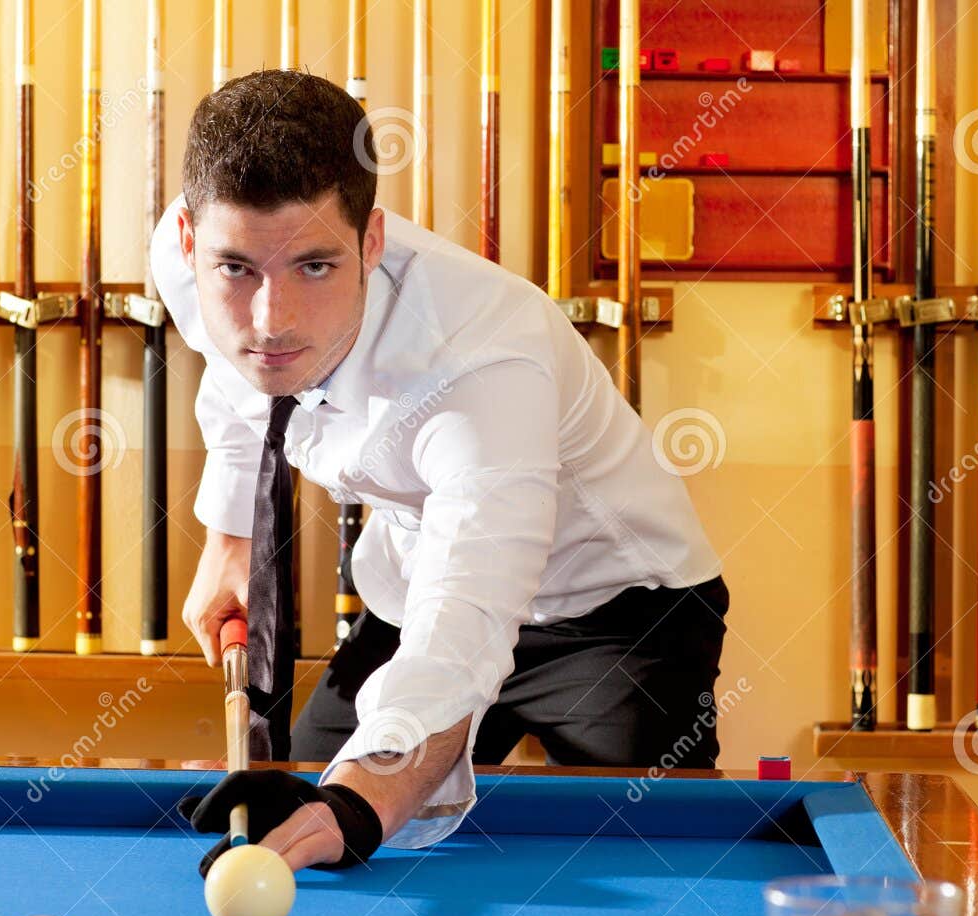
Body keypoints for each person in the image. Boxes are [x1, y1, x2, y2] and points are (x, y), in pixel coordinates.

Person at [159, 71, 726, 874]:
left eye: (316, 267)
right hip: (415, 586)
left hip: (617, 616)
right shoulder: (188, 260)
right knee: (310, 798)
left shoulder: (478, 367)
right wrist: (230, 534)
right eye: (238, 269)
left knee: (644, 864)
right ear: (187, 239)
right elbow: (239, 380)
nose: (270, 318)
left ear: (373, 241)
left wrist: (359, 803)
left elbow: (467, 617)